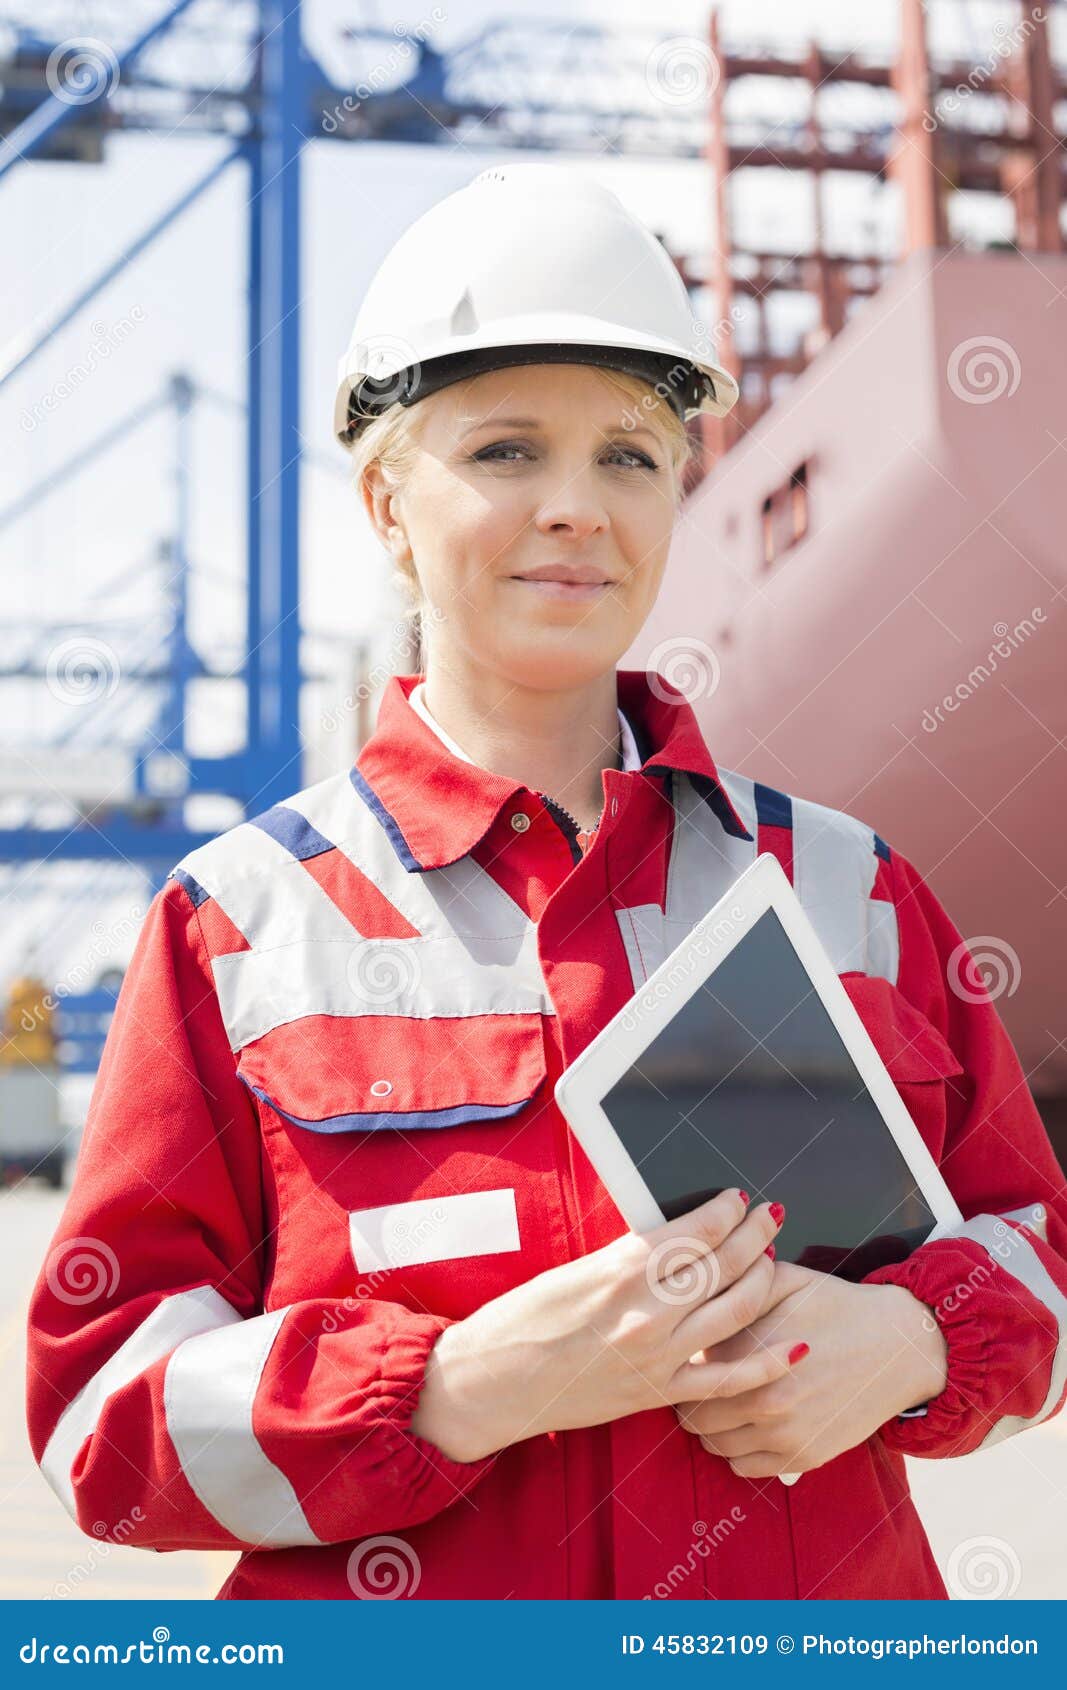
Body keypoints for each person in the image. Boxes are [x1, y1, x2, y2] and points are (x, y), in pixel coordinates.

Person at [26, 164, 1067, 1602]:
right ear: (388, 502)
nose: (576, 507)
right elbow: (100, 1419)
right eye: (507, 451)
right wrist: (451, 1388)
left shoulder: (854, 890)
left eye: (632, 457)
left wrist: (921, 1342)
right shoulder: (239, 925)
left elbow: (1039, 1255)